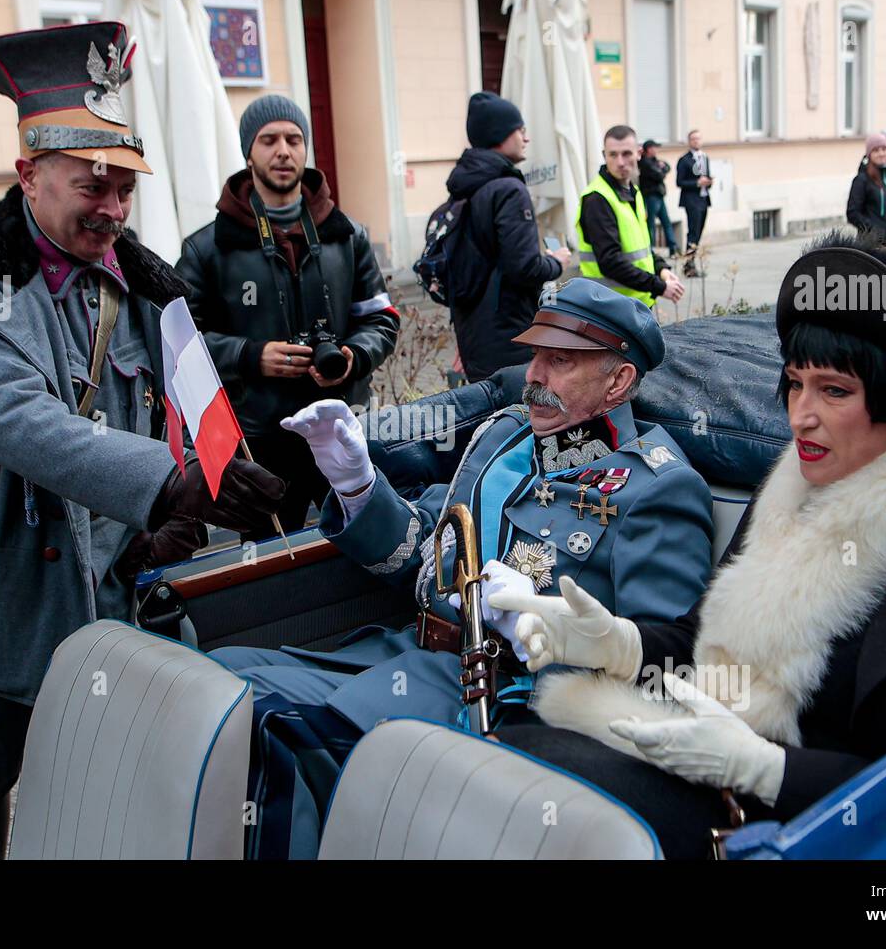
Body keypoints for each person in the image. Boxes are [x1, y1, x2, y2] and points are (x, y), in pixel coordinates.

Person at [0, 23, 285, 859]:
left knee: (94, 766)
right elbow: (20, 422)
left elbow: (177, 405)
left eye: (125, 188)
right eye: (94, 187)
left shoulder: (136, 281)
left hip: (98, 587)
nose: (115, 210)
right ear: (28, 175)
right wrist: (168, 482)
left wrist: (205, 488)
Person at [490, 231, 886, 859]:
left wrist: (765, 769)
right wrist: (618, 645)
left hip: (814, 836)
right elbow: (704, 651)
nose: (800, 415)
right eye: (794, 383)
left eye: (834, 391)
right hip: (696, 767)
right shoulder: (790, 495)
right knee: (504, 771)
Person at [209, 279, 715, 858]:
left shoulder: (656, 488)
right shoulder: (503, 439)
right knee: (219, 681)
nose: (534, 376)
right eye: (535, 356)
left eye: (561, 362)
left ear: (618, 381)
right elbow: (422, 555)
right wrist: (358, 486)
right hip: (408, 655)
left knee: (269, 724)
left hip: (497, 703)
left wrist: (539, 632)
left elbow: (665, 671)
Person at [176, 96, 399, 540]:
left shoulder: (346, 235)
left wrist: (354, 356)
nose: (283, 150)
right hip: (259, 440)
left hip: (342, 427)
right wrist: (250, 355)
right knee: (271, 564)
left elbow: (382, 320)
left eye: (294, 139)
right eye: (269, 140)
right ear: (249, 152)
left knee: (365, 541)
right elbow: (181, 343)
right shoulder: (207, 248)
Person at [444, 92, 571, 382]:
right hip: (510, 336)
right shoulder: (508, 190)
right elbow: (525, 268)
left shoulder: (465, 188)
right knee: (520, 420)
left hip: (473, 334)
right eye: (521, 130)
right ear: (500, 134)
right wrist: (556, 262)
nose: (526, 138)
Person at [577, 126, 685, 307]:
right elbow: (610, 262)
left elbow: (641, 247)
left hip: (634, 304)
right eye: (613, 155)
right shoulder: (597, 198)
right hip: (611, 308)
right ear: (605, 156)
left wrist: (661, 268)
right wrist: (659, 286)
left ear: (638, 154)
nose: (620, 162)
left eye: (626, 153)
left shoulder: (633, 192)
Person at [845, 133, 886, 246]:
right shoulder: (862, 180)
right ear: (869, 154)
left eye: (884, 149)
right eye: (876, 150)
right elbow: (852, 213)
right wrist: (875, 231)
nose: (881, 153)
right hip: (874, 246)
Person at [675, 129, 712, 277]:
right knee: (693, 233)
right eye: (693, 139)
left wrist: (708, 182)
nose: (696, 141)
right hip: (691, 200)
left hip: (704, 199)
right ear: (689, 142)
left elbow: (707, 177)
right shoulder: (684, 160)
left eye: (698, 139)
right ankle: (689, 266)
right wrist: (697, 183)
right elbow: (679, 182)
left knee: (698, 233)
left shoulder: (705, 157)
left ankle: (691, 263)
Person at [638, 138, 678, 258]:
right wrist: (662, 170)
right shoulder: (645, 162)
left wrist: (662, 168)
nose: (656, 150)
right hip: (650, 196)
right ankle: (651, 250)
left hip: (659, 196)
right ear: (649, 149)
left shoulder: (654, 161)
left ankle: (673, 249)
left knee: (666, 222)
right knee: (650, 224)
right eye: (654, 147)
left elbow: (667, 167)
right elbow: (659, 175)